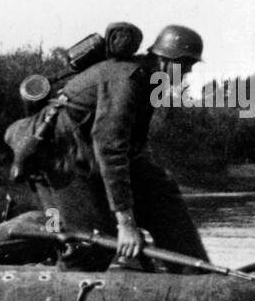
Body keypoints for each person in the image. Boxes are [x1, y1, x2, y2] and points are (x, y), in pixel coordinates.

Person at [38, 23, 210, 271]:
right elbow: (110, 147)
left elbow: (134, 147)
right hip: (62, 158)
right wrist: (126, 223)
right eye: (185, 66)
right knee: (93, 242)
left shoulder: (152, 82)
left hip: (87, 155)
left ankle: (194, 274)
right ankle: (67, 284)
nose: (187, 73)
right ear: (167, 60)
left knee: (163, 194)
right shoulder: (128, 79)